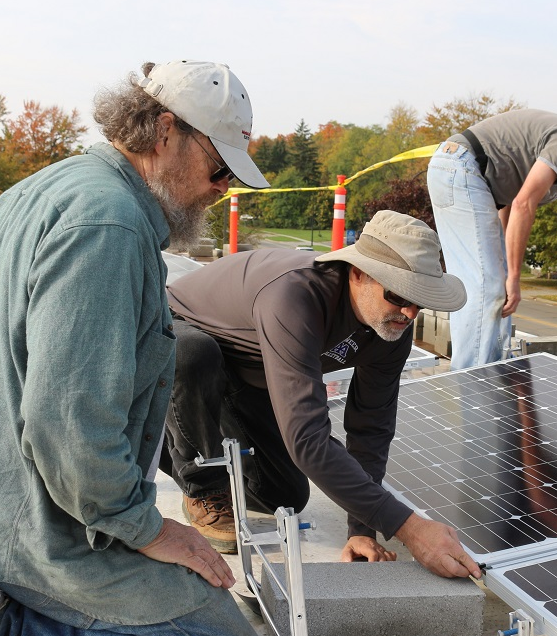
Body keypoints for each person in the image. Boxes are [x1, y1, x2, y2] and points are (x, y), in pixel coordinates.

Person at [0, 60, 270, 636]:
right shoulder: (107, 226)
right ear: (166, 132)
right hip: (26, 517)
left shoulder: (53, 185)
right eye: (218, 167)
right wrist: (146, 529)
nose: (220, 189)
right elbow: (68, 425)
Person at [163, 210, 483, 580]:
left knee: (285, 496)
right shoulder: (295, 296)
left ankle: (186, 447)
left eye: (420, 302)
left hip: (248, 374)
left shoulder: (392, 328)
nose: (409, 312)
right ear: (359, 273)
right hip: (176, 338)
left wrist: (362, 528)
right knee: (191, 355)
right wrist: (409, 528)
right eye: (398, 295)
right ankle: (200, 481)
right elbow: (308, 440)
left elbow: (371, 428)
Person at [427, 109, 557, 369]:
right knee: (487, 287)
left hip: (464, 175)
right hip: (462, 168)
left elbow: (510, 203)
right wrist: (514, 275)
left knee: (495, 284)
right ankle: (472, 379)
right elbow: (525, 204)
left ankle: (492, 365)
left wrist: (505, 267)